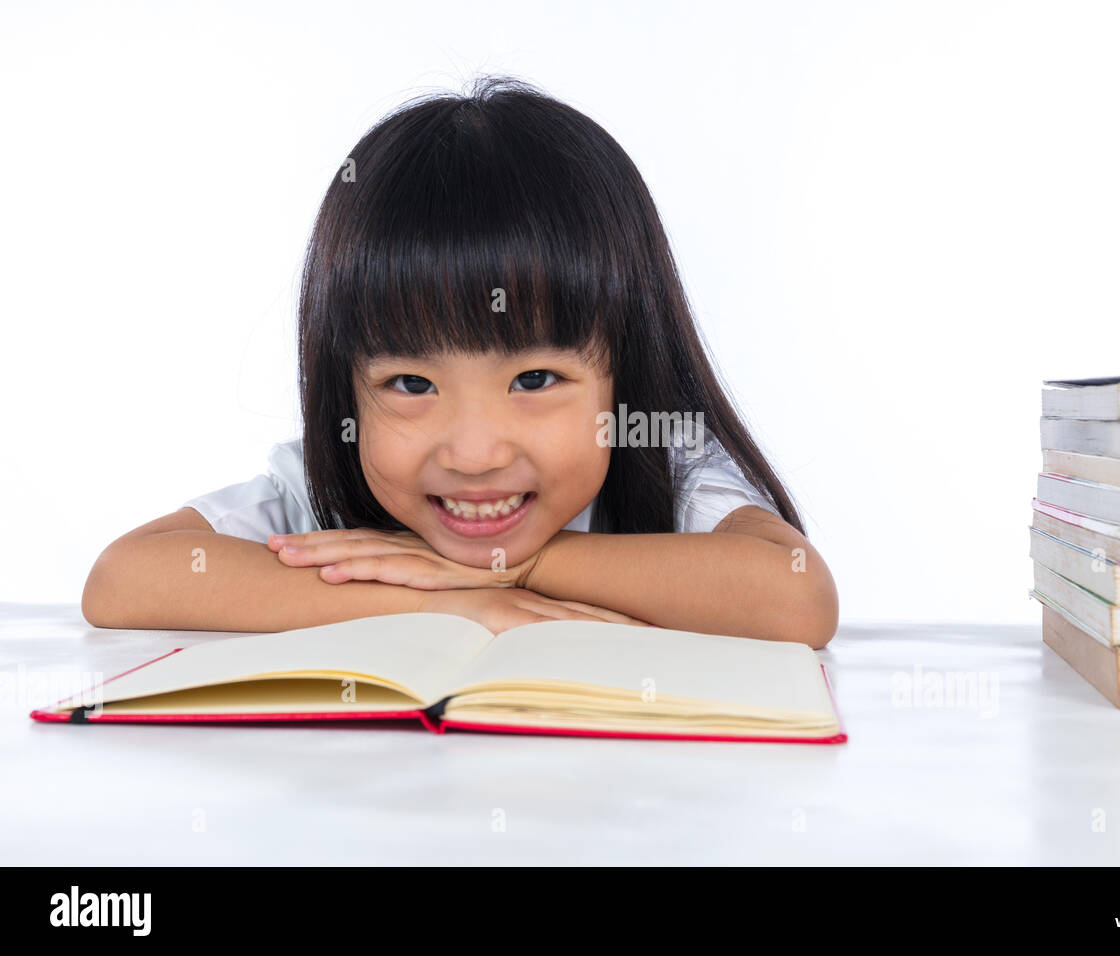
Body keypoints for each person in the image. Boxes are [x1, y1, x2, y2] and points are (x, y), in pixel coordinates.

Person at [83, 76, 837, 647]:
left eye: (535, 380)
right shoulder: (320, 488)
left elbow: (797, 599)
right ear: (345, 396)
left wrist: (508, 567)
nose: (475, 453)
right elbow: (121, 580)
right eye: (411, 384)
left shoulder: (660, 463)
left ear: (622, 381)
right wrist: (430, 598)